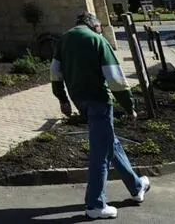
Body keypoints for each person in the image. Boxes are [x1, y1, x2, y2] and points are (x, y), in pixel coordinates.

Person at [50, 12, 151, 220]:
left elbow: (55, 71)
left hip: (80, 100)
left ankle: (136, 185)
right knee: (100, 155)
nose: (100, 30)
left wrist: (62, 99)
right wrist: (128, 105)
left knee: (109, 143)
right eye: (100, 27)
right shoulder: (97, 40)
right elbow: (114, 76)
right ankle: (95, 205)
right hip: (99, 101)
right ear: (94, 25)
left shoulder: (64, 40)